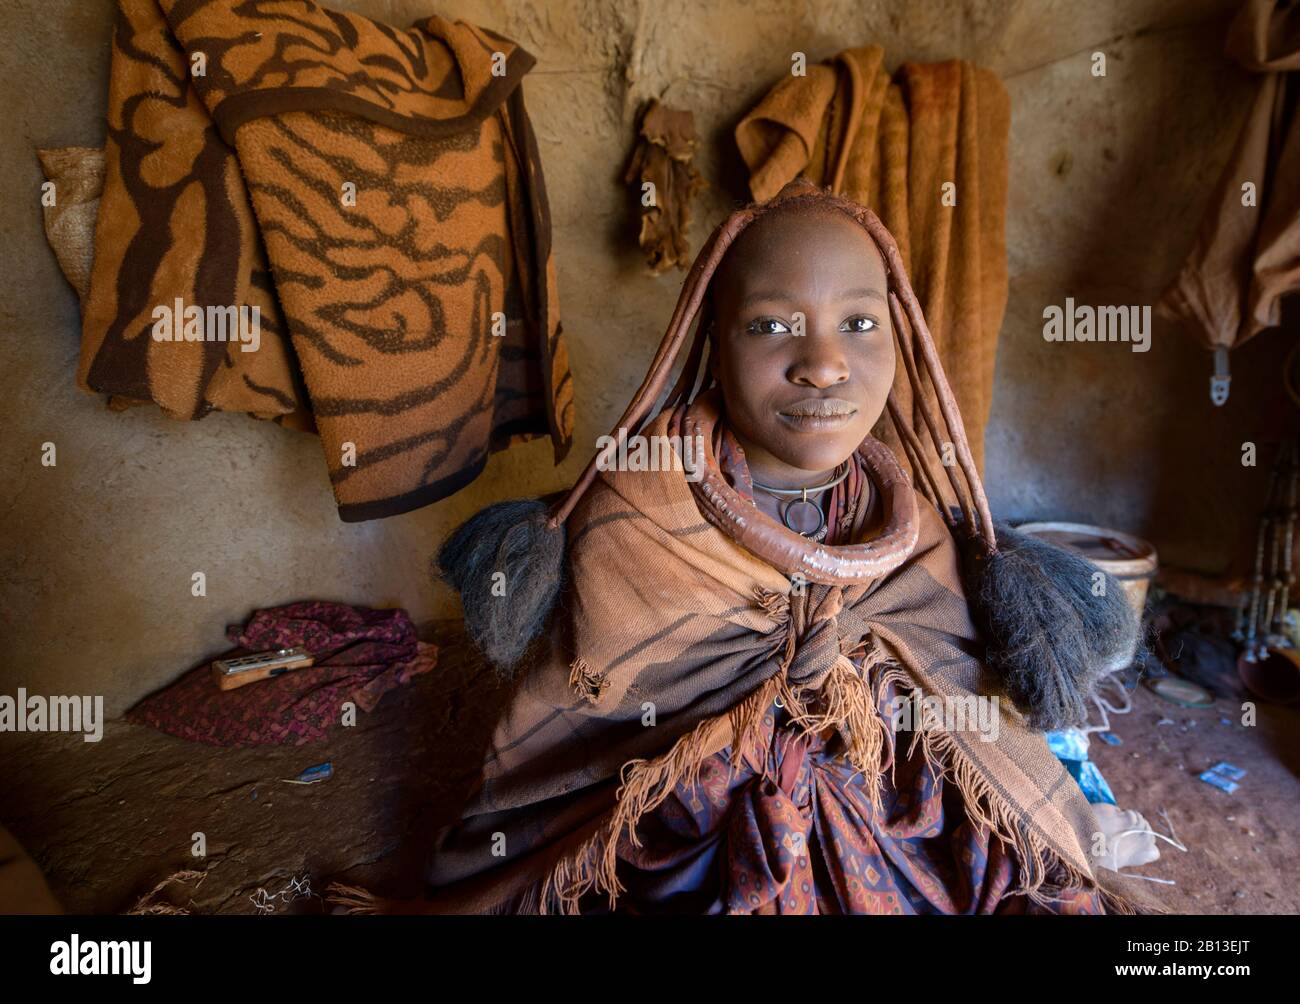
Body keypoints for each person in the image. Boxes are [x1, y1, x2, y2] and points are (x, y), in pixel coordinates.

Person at [333, 181, 1152, 915]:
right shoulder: (644, 501)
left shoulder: (908, 516)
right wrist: (766, 738)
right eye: (770, 326)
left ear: (899, 341)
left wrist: (867, 714)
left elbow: (953, 697)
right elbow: (603, 715)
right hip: (681, 801)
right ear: (716, 346)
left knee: (998, 851)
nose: (824, 364)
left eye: (859, 323)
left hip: (877, 781)